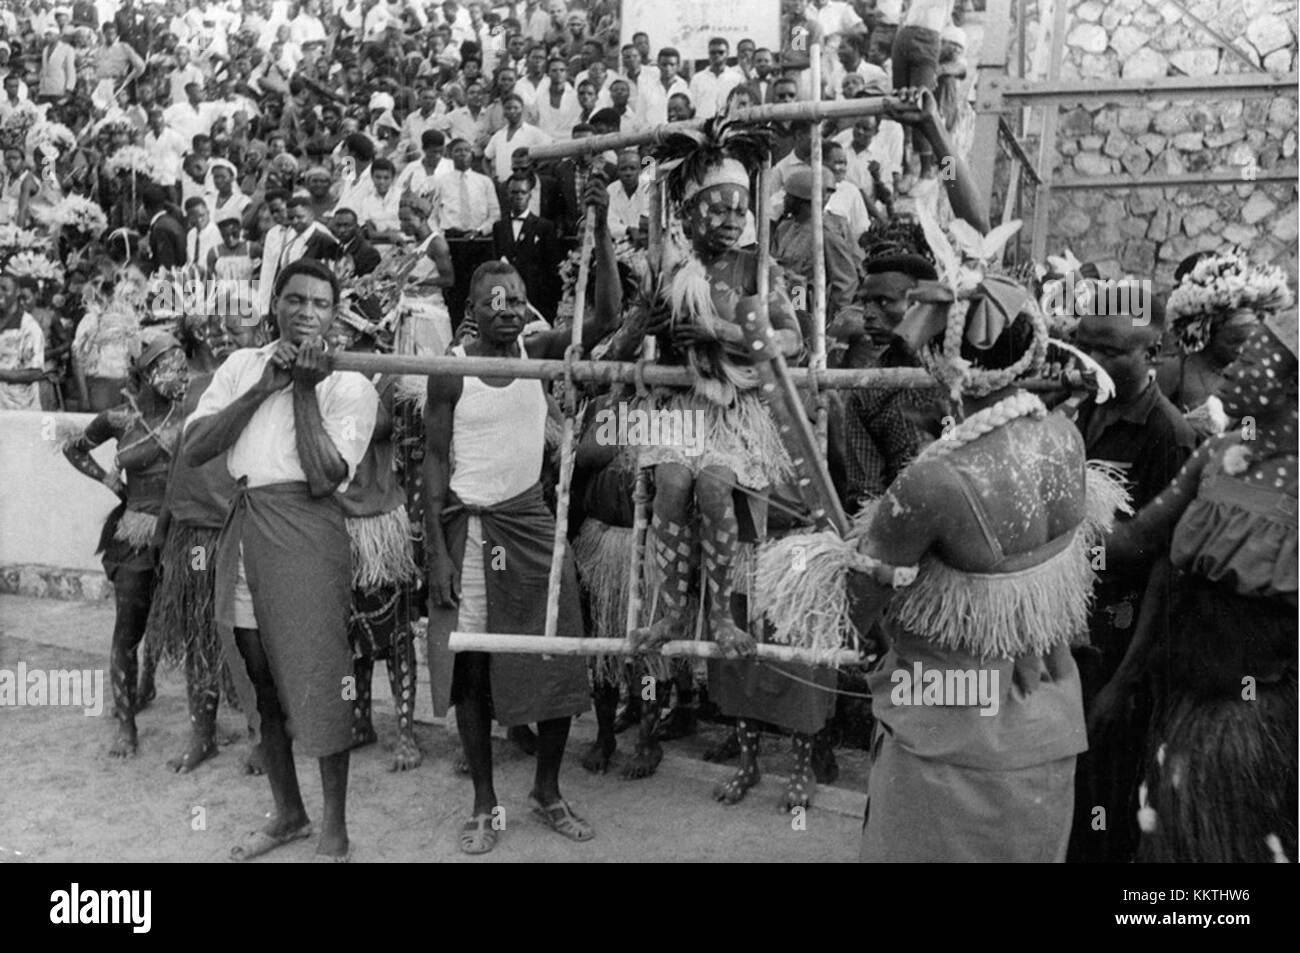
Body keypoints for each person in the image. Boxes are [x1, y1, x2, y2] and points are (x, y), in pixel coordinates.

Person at [847, 221, 1127, 861]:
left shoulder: (934, 482)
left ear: (944, 360)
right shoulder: (1067, 438)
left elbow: (858, 598)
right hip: (1046, 720)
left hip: (952, 732)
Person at [424, 178, 619, 855]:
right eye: (492, 301)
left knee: (559, 653)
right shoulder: (450, 370)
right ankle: (485, 800)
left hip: (532, 524)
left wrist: (598, 226)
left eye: (515, 298)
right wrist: (437, 553)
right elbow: (431, 462)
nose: (507, 309)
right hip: (470, 527)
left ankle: (547, 788)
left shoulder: (538, 355)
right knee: (473, 668)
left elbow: (604, 321)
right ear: (471, 309)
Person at [184, 258, 379, 863]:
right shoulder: (242, 365)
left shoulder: (352, 384)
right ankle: (288, 811)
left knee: (320, 679)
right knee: (262, 678)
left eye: (320, 304)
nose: (307, 314)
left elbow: (325, 479)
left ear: (335, 312)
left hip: (307, 532)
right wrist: (267, 384)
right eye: (296, 301)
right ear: (275, 304)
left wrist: (300, 390)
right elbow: (195, 447)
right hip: (246, 529)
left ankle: (335, 828)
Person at [1098, 309, 1297, 863]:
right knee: (1176, 833)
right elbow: (1137, 541)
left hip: (1261, 704)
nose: (1229, 374)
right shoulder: (1215, 455)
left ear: (1293, 384)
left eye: (1249, 363)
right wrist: (1054, 520)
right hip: (1184, 689)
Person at [1066, 287, 1196, 863]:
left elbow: (1166, 569)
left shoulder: (1169, 435)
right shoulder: (1079, 410)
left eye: (1109, 349)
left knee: (1106, 797)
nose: (1088, 359)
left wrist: (1125, 679)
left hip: (1115, 644)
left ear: (1156, 350)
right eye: (1081, 343)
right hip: (1066, 632)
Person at [144, 309, 264, 774]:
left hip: (239, 530)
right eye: (218, 330)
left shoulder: (264, 387)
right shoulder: (191, 390)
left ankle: (262, 736)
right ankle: (203, 733)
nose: (226, 336)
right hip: (192, 535)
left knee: (249, 640)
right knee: (198, 635)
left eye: (239, 328)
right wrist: (162, 526)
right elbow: (179, 460)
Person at [63, 333, 190, 757]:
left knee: (194, 619)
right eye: (169, 367)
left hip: (185, 535)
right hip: (134, 532)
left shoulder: (189, 416)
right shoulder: (120, 419)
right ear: (148, 374)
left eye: (182, 365)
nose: (179, 375)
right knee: (128, 626)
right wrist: (107, 479)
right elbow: (72, 446)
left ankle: (200, 723)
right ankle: (126, 725)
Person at [328, 317, 423, 772]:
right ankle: (360, 717)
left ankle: (405, 730)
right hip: (338, 524)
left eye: (351, 334)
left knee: (398, 635)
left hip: (382, 527)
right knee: (351, 638)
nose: (342, 340)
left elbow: (383, 426)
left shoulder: (390, 381)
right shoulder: (321, 379)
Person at [491, 172, 561, 320]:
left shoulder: (544, 227)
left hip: (536, 301)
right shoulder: (499, 227)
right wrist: (498, 306)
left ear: (530, 195)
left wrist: (547, 307)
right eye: (514, 192)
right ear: (507, 195)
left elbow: (551, 270)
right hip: (506, 300)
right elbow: (496, 269)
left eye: (523, 192)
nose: (518, 196)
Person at [0, 274, 46, 410]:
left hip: (19, 408)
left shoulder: (29, 327)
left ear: (17, 292)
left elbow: (36, 372)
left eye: (4, 288)